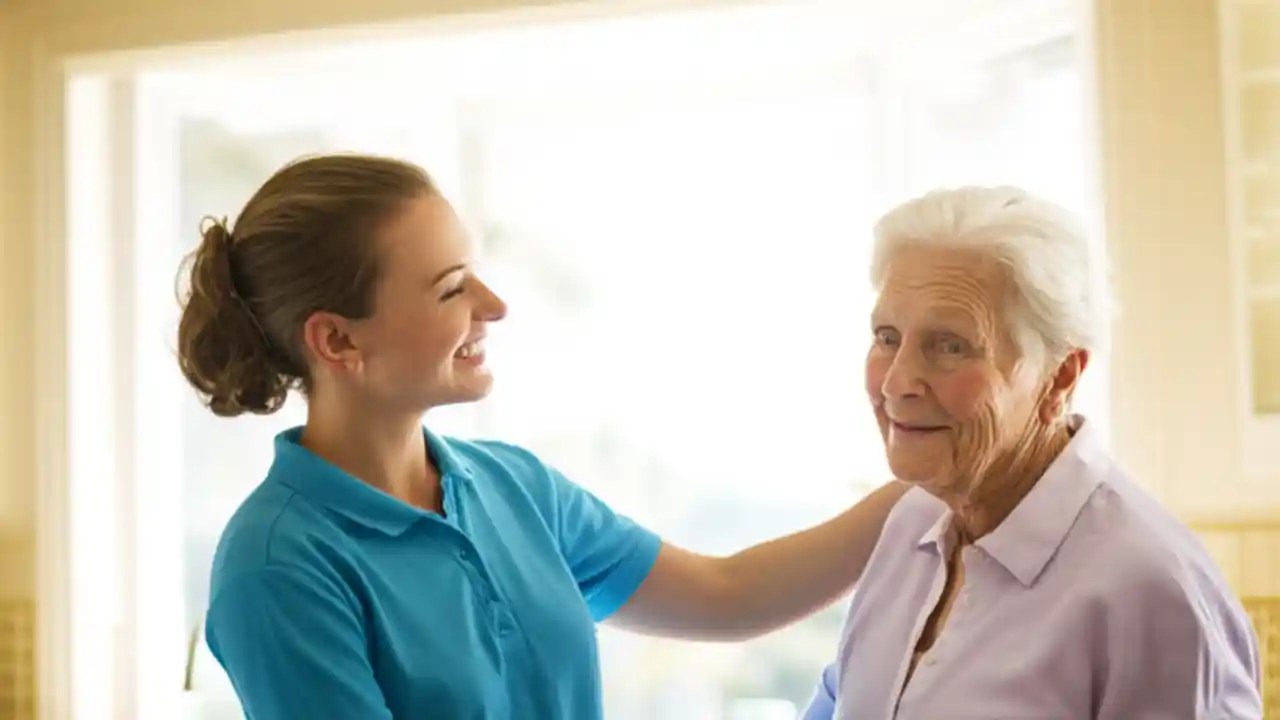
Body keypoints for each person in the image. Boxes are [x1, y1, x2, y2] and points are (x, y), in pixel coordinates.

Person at [176, 153, 907, 720]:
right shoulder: (277, 566)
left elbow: (727, 595)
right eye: (450, 287)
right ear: (337, 340)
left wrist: (933, 477)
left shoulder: (510, 486)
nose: (492, 305)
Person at [801, 186, 1263, 719]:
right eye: (887, 337)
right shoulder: (913, 524)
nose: (897, 381)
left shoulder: (1150, 589)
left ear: (1059, 378)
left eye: (950, 346)